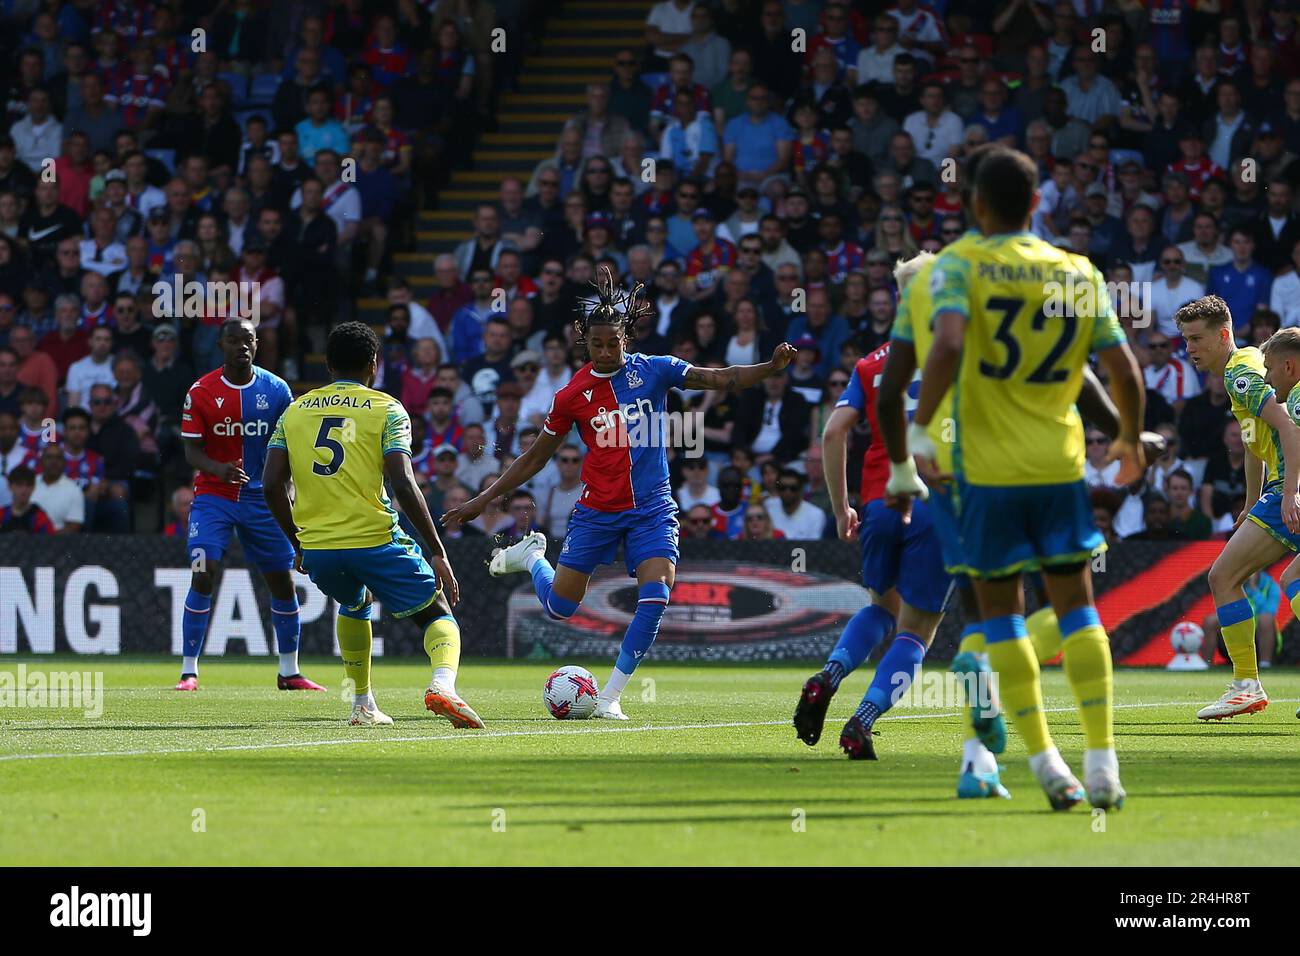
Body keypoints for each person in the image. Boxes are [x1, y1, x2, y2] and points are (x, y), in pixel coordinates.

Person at [897, 147, 1146, 810]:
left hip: (987, 474)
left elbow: (945, 346)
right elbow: (1121, 370)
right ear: (1039, 203)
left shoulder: (959, 266)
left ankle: (1045, 766)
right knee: (1079, 610)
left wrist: (919, 436)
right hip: (1060, 467)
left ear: (975, 203)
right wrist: (1128, 436)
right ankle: (1103, 764)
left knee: (998, 619)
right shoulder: (1077, 271)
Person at [444, 265, 795, 719]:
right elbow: (534, 459)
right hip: (597, 510)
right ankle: (533, 556)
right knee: (560, 608)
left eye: (613, 342)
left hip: (652, 507)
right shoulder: (573, 395)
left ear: (625, 339)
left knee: (656, 596)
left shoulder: (656, 370)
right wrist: (476, 504)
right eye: (597, 344)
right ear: (584, 344)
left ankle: (609, 697)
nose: (606, 350)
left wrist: (769, 367)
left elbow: (720, 378)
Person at [264, 322, 482, 729]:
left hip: (321, 549)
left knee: (354, 603)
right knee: (438, 612)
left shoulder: (293, 411)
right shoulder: (387, 408)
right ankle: (443, 686)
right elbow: (402, 479)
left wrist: (298, 542)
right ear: (374, 365)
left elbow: (271, 484)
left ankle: (362, 704)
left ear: (328, 365)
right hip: (375, 540)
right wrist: (436, 549)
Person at [175, 318, 324, 694]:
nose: (242, 347)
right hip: (214, 496)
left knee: (281, 580)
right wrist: (218, 469)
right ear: (221, 345)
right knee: (203, 569)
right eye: (234, 341)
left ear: (257, 345)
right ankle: (188, 671)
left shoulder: (277, 390)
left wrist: (288, 489)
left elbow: (290, 447)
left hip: (263, 499)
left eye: (249, 340)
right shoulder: (201, 391)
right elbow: (191, 450)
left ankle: (289, 672)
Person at [1177, 299, 1300, 721]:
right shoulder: (1243, 367)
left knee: (1223, 576)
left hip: (1292, 485)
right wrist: (1251, 501)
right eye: (1185, 340)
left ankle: (1246, 684)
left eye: (1197, 339)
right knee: (1293, 577)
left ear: (1222, 335)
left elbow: (1285, 423)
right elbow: (1255, 443)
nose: (1190, 348)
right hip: (1281, 485)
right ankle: (1246, 684)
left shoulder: (1240, 373)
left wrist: (1287, 494)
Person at [30, 443, 83, 532]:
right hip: (27, 540)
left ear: (64, 462)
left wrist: (47, 540)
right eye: (49, 457)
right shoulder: (29, 484)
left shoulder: (74, 490)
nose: (53, 462)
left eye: (58, 458)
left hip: (58, 542)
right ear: (41, 462)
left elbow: (74, 526)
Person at [0, 465, 54, 533]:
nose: (24, 490)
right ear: (10, 486)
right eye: (19, 485)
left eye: (28, 485)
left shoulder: (40, 518)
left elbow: (50, 542)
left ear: (33, 487)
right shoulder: (1, 515)